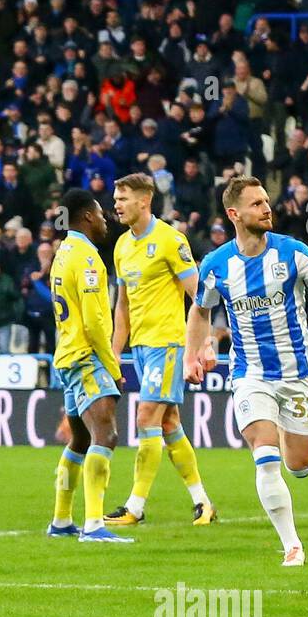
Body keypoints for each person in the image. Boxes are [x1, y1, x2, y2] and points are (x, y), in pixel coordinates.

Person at [184, 176, 308, 567]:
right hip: (249, 373)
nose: (266, 208)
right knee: (265, 454)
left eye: (266, 201)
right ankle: (292, 544)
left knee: (300, 465)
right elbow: (200, 309)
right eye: (257, 203)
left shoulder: (293, 253)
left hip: (297, 374)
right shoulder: (216, 264)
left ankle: (288, 435)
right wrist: (195, 352)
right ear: (234, 214)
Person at [104, 173, 216, 527]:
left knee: (145, 418)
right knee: (168, 424)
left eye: (123, 199)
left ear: (144, 201)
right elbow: (122, 307)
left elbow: (200, 296)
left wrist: (204, 344)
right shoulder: (122, 246)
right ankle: (203, 502)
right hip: (140, 347)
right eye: (115, 198)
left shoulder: (170, 240)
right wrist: (113, 354)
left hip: (168, 343)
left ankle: (135, 507)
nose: (116, 205)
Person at [45, 188, 130, 544]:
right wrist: (112, 365)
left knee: (79, 438)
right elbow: (96, 322)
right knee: (105, 436)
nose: (105, 217)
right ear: (85, 217)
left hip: (66, 354)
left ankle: (62, 520)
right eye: (99, 212)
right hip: (86, 357)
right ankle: (94, 524)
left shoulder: (62, 254)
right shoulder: (88, 259)